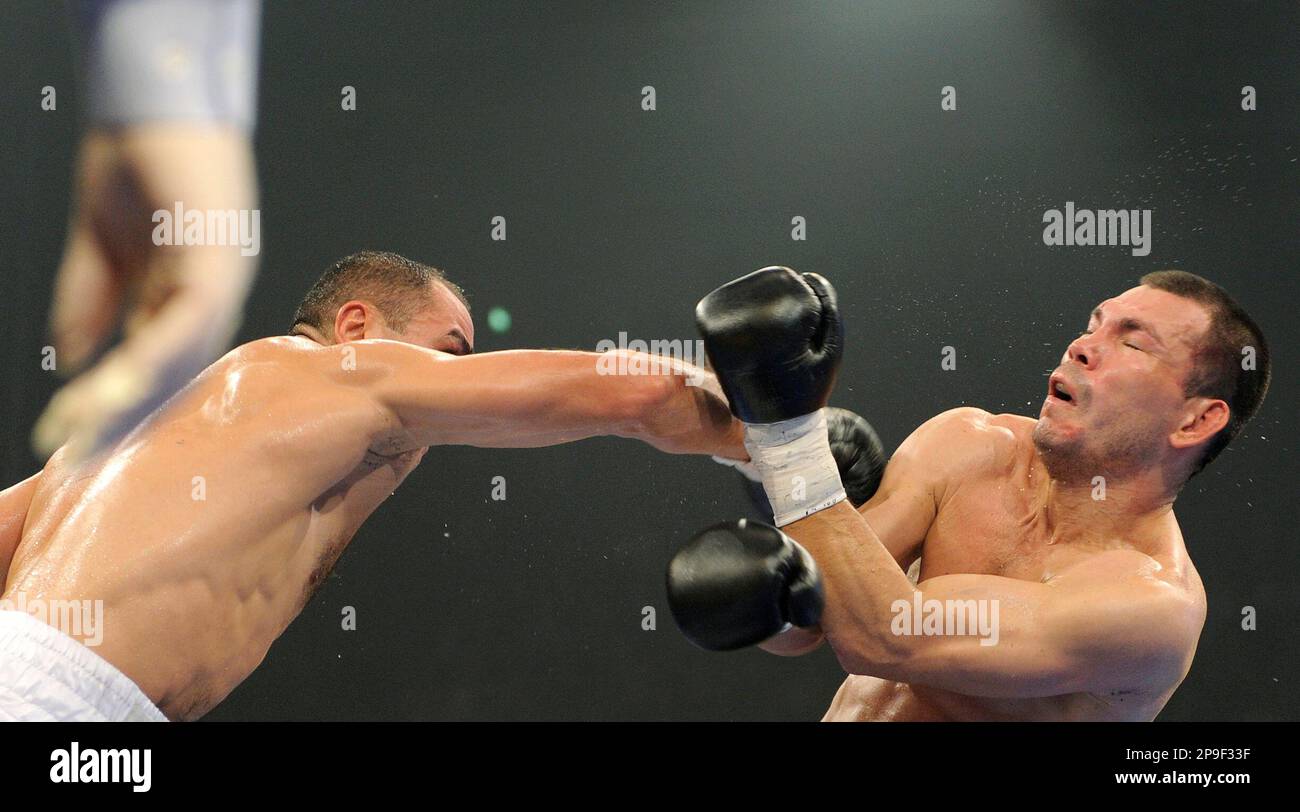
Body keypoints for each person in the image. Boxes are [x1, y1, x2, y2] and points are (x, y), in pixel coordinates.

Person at [1, 250, 744, 721]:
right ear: (356, 327)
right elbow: (634, 394)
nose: (449, 383)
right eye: (446, 355)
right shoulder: (328, 371)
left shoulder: (106, 443)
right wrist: (773, 434)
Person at [668, 267, 1270, 721]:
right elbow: (821, 615)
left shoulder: (1150, 608)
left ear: (1195, 422)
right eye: (1093, 325)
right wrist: (763, 604)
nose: (1082, 346)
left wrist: (785, 434)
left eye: (1133, 343)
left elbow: (889, 637)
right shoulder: (970, 443)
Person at [34, 0, 262, 462]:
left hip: (138, 109)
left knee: (81, 336)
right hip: (173, 111)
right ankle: (95, 415)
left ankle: (98, 413)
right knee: (207, 290)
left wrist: (125, 111)